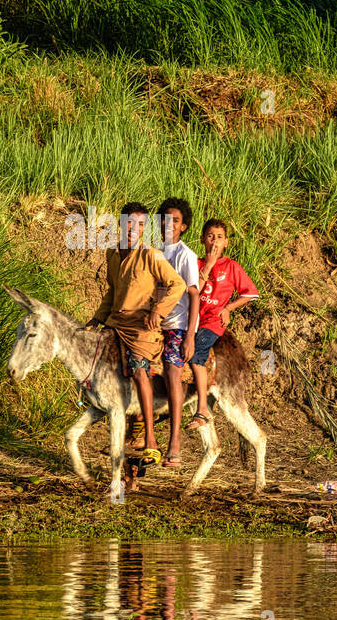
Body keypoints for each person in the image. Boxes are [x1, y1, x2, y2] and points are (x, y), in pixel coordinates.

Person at [87, 203, 186, 464]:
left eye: (141, 225)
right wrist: (97, 317)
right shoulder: (112, 254)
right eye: (130, 223)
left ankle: (150, 439)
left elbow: (178, 285)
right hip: (115, 322)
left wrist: (158, 311)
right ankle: (115, 430)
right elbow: (112, 291)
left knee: (140, 371)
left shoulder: (151, 255)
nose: (134, 229)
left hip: (141, 328)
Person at [187, 218, 259, 430]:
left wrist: (228, 308)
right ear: (202, 240)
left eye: (219, 237)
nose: (214, 242)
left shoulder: (231, 267)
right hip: (193, 319)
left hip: (212, 322)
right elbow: (193, 292)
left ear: (226, 242)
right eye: (210, 236)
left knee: (197, 352)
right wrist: (208, 265)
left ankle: (203, 409)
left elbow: (250, 293)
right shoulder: (196, 264)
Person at [154, 197, 200, 468]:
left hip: (178, 324)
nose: (169, 224)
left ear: (184, 226)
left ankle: (174, 442)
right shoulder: (154, 253)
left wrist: (191, 335)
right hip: (154, 322)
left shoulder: (185, 255)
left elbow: (193, 295)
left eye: (175, 220)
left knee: (172, 370)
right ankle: (137, 436)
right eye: (165, 219)